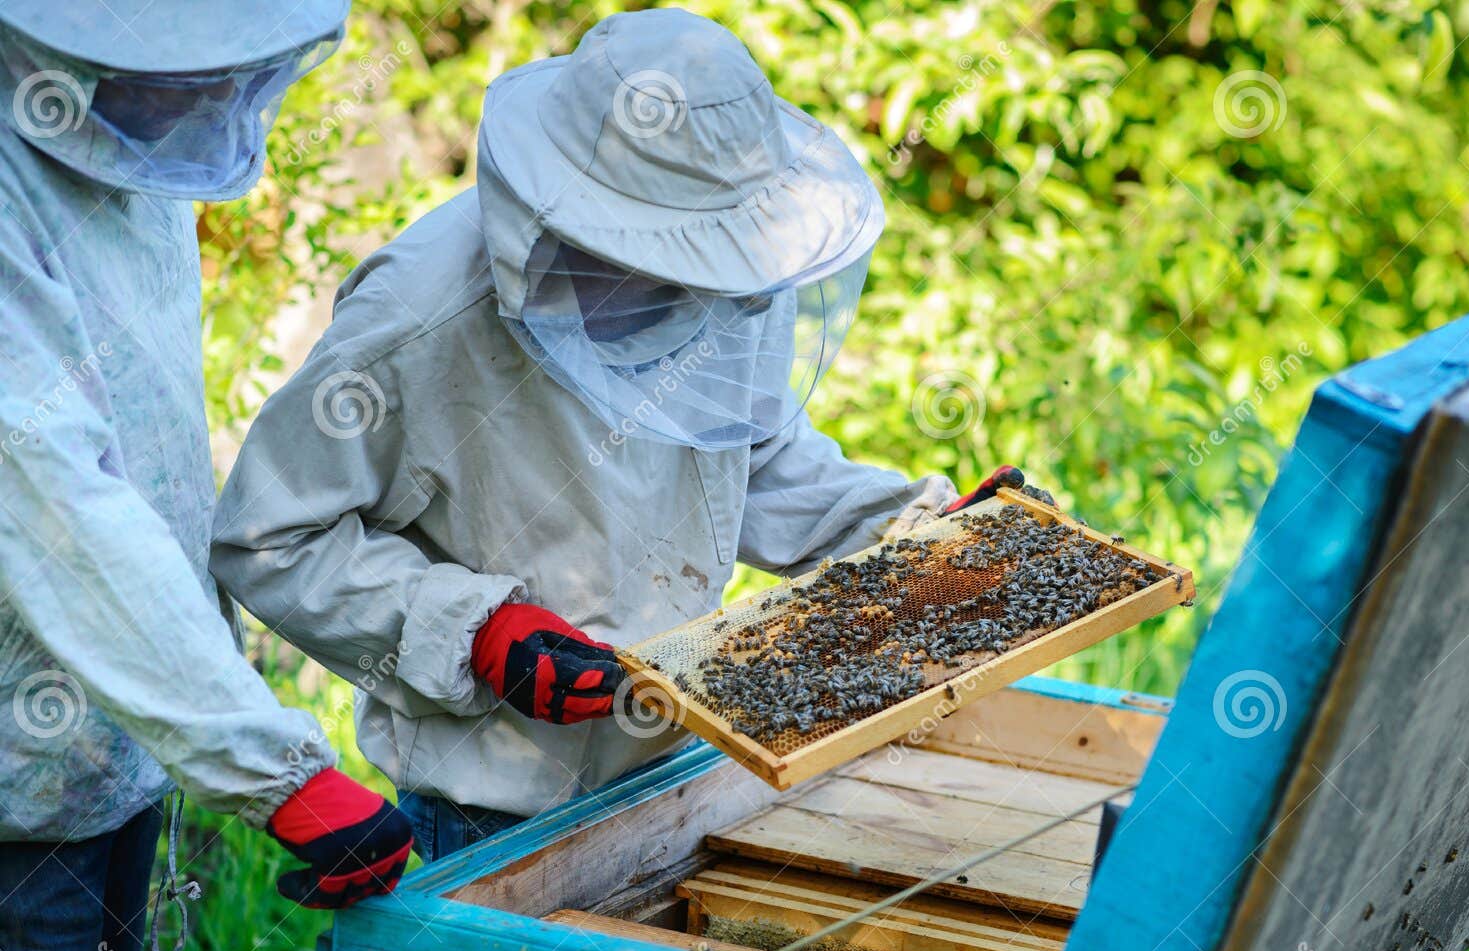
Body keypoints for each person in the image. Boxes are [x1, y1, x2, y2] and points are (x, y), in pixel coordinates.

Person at [210, 9, 1044, 863]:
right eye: (669, 268)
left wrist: (919, 538)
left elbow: (750, 464)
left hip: (677, 765)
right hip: (494, 805)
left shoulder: (734, 268)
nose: (701, 294)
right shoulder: (417, 321)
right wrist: (474, 630)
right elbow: (269, 536)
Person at [0, 1, 411, 951]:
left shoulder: (118, 148)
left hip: (113, 738)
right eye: (179, 71)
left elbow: (141, 446)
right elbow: (52, 495)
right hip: (10, 789)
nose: (207, 98)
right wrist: (276, 771)